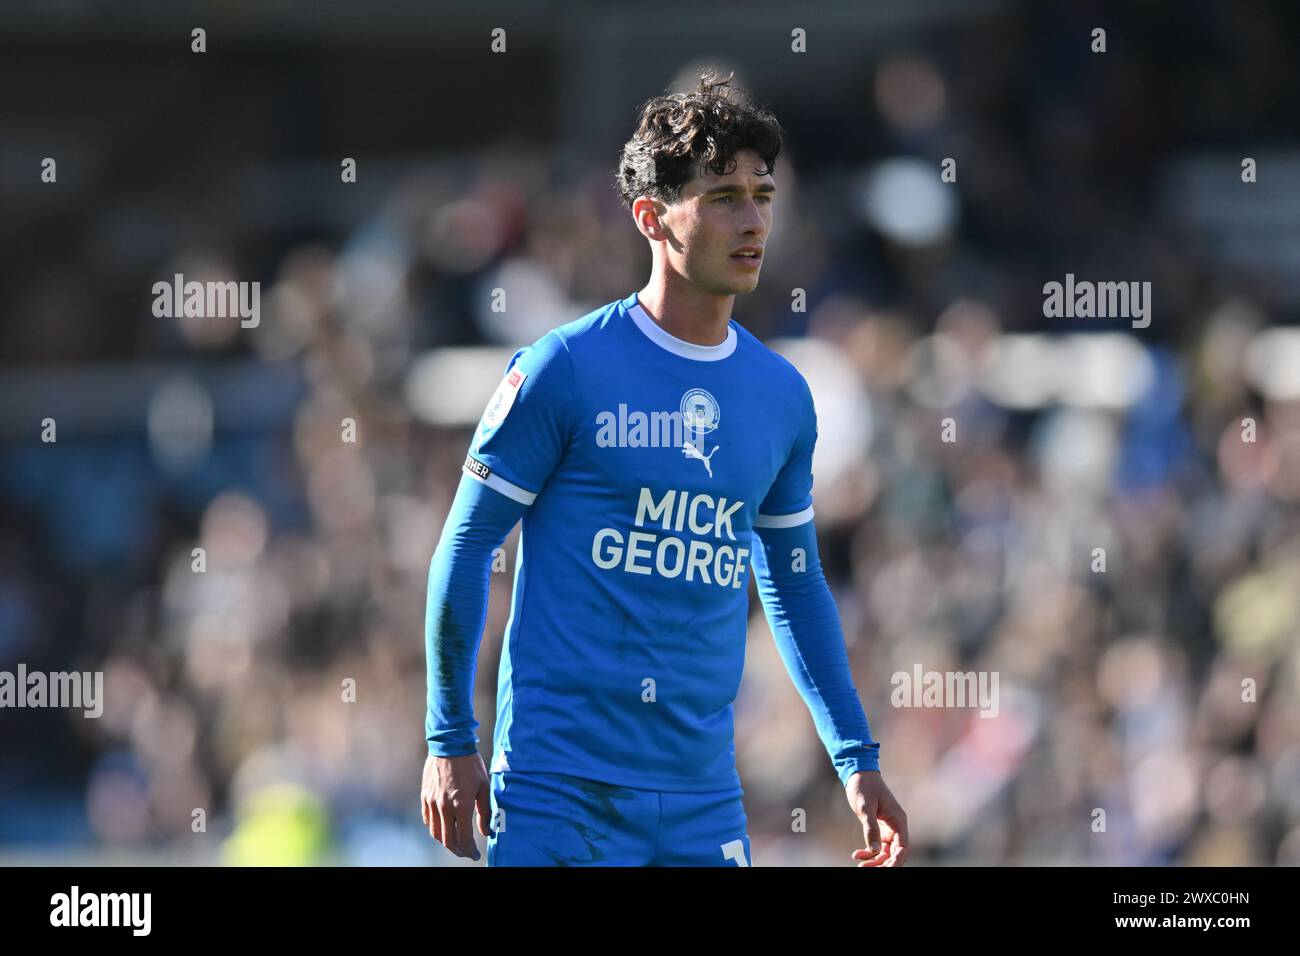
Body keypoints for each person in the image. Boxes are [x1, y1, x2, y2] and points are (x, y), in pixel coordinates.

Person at [420, 68, 908, 867]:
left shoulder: (782, 396)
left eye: (762, 195)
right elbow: (466, 550)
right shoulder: (564, 369)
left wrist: (857, 758)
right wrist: (449, 737)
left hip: (701, 804)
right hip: (556, 794)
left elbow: (793, 584)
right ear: (653, 217)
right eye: (722, 198)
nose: (752, 220)